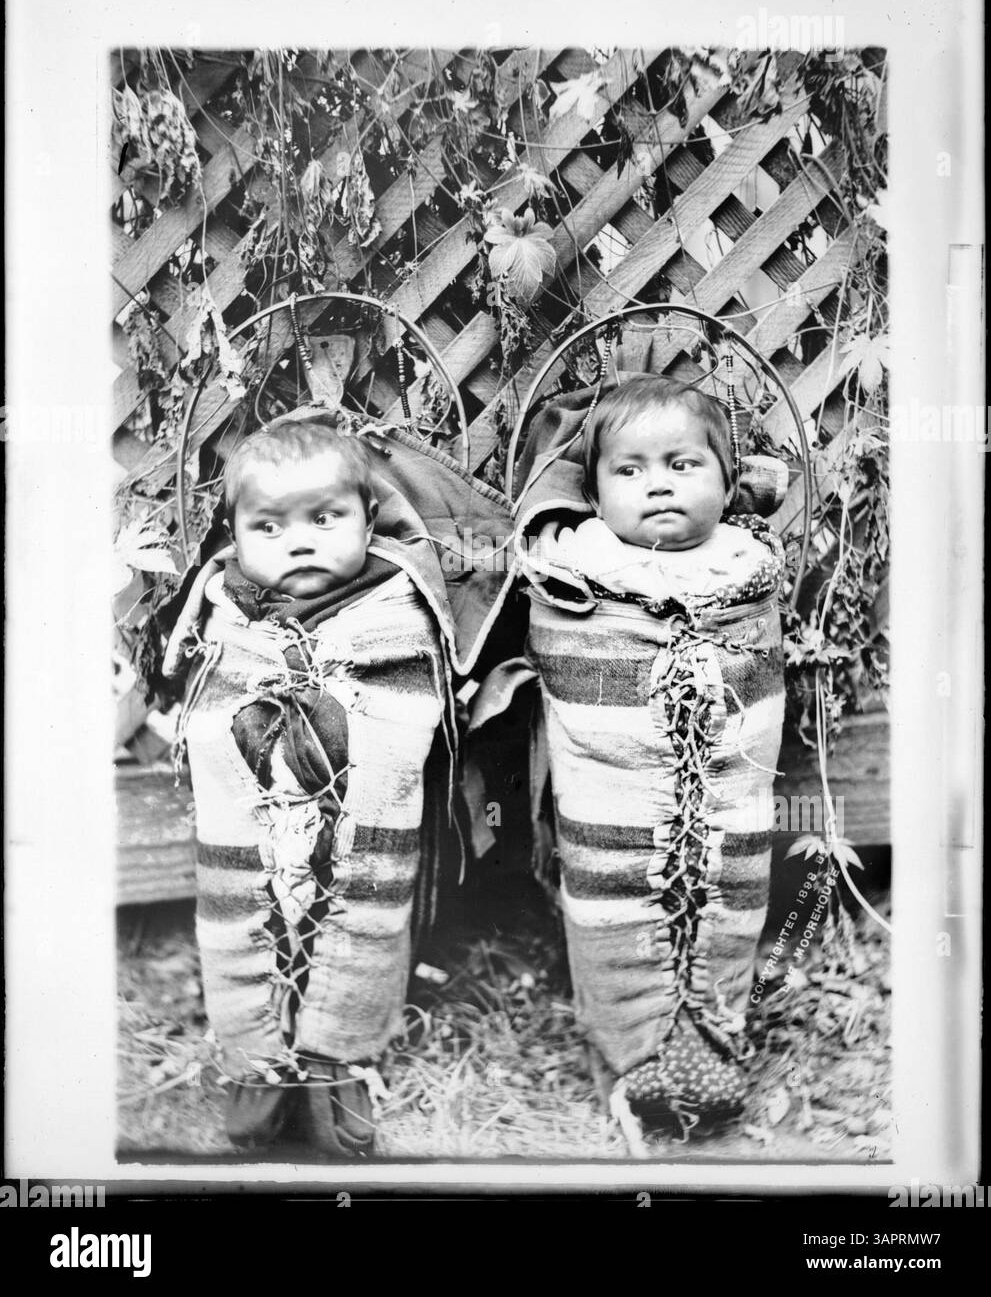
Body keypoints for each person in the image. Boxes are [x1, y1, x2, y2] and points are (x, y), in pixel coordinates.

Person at [515, 375, 787, 1136]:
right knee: (614, 873)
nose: (656, 485)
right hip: (615, 769)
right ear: (595, 494)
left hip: (725, 782)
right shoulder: (584, 564)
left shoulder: (742, 564)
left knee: (728, 867)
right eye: (628, 471)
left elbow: (753, 680)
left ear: (727, 480)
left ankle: (711, 1027)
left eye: (682, 464)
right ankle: (633, 1047)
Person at [172, 420, 449, 1156]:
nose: (299, 542)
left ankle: (338, 1055)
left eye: (324, 519)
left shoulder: (397, 598)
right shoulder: (226, 608)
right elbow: (209, 711)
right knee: (237, 903)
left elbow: (406, 706)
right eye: (269, 525)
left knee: (365, 897)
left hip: (352, 815)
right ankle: (258, 1053)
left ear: (368, 516)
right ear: (233, 536)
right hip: (261, 821)